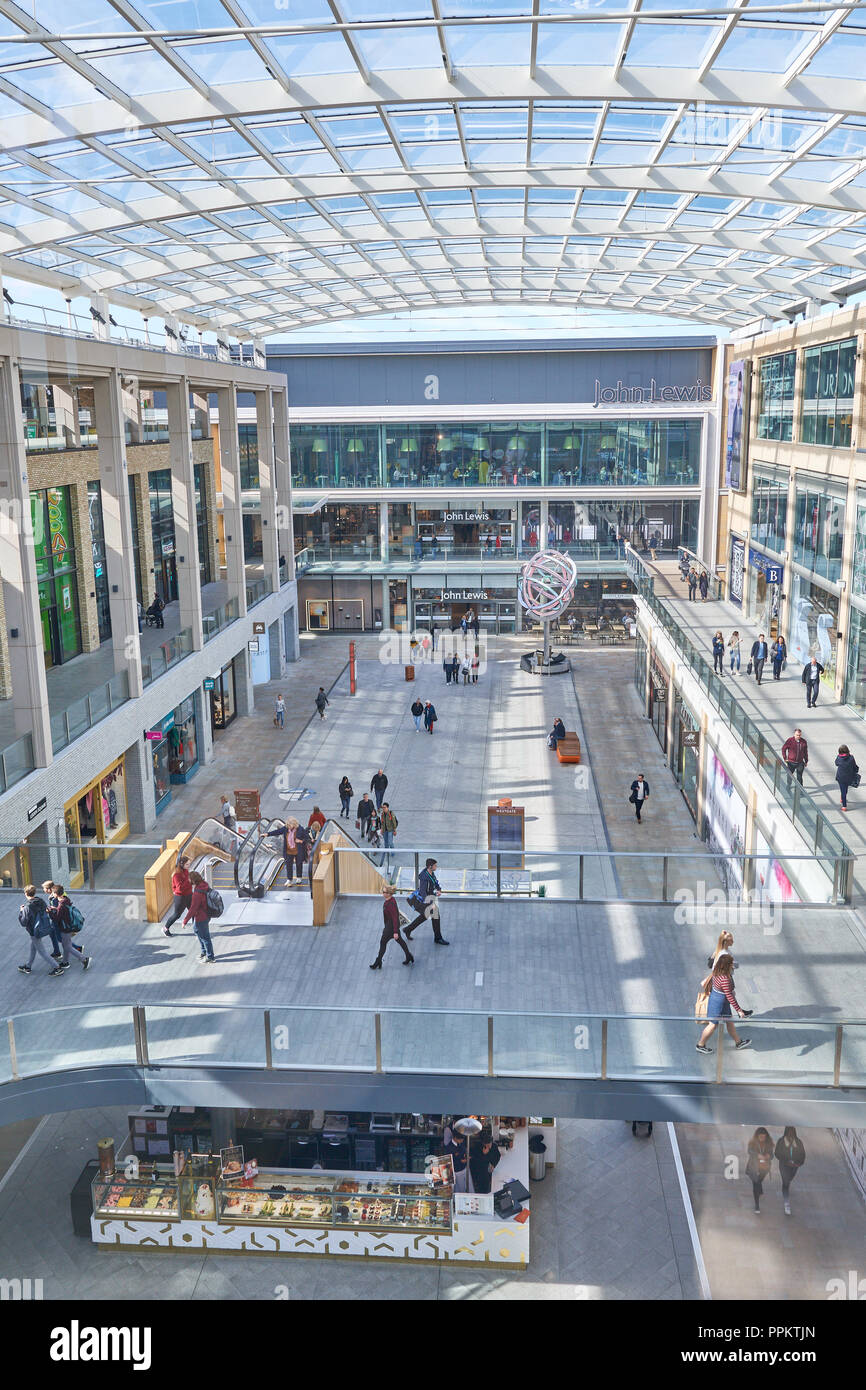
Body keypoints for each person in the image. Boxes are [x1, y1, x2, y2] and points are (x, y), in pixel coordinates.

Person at [696, 953, 752, 1053]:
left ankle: (738, 1042)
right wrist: (739, 1010)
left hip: (717, 999)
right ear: (726, 965)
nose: (732, 964)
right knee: (713, 1025)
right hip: (719, 1004)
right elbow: (729, 996)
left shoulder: (717, 972)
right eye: (731, 963)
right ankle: (700, 1045)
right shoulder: (725, 979)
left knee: (729, 1022)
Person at [18, 885, 63, 977]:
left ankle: (57, 968)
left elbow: (23, 922)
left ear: (26, 894)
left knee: (42, 951)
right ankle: (28, 966)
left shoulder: (27, 907)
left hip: (34, 931)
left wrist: (21, 912)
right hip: (44, 927)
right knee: (33, 946)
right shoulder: (40, 901)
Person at [404, 857, 449, 945]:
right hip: (425, 900)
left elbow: (435, 882)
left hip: (430, 898)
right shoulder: (424, 877)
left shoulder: (431, 873)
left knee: (427, 916)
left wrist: (439, 889)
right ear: (430, 866)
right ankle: (438, 938)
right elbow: (422, 891)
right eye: (435, 865)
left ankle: (408, 929)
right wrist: (430, 902)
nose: (436, 867)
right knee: (435, 916)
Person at [370, 884, 413, 969]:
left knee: (383, 943)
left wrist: (395, 932)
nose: (383, 893)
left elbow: (395, 918)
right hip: (391, 927)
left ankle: (378, 961)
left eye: (384, 892)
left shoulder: (391, 904)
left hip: (390, 928)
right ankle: (409, 956)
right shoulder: (390, 900)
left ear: (389, 894)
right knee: (401, 942)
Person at [50, 885, 91, 971]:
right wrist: (56, 909)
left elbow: (56, 918)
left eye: (53, 892)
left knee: (67, 947)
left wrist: (50, 912)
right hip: (68, 926)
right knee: (66, 945)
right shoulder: (66, 900)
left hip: (65, 928)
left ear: (56, 894)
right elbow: (61, 912)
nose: (52, 894)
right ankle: (65, 962)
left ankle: (84, 959)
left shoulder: (61, 905)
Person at [184, 871, 216, 963]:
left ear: (193, 880)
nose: (188, 880)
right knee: (197, 931)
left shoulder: (197, 893)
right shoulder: (204, 884)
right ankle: (204, 951)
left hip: (201, 917)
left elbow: (193, 909)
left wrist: (185, 921)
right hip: (206, 914)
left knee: (205, 937)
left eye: (189, 878)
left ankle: (210, 957)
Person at [774, 1127, 806, 1216]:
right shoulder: (781, 1141)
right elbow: (777, 1153)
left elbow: (803, 1154)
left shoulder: (798, 1142)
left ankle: (786, 1187)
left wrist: (797, 1163)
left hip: (794, 1166)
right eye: (789, 1133)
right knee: (786, 1182)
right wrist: (786, 1160)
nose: (790, 1135)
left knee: (789, 1179)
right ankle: (786, 1203)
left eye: (792, 1133)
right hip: (784, 1165)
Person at [746, 1128, 775, 1214]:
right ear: (757, 1136)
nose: (762, 1138)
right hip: (754, 1166)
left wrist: (768, 1156)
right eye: (760, 1137)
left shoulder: (769, 1144)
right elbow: (749, 1151)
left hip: (764, 1167)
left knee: (759, 1181)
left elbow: (772, 1155)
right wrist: (757, 1155)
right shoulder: (752, 1143)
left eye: (764, 1137)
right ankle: (757, 1205)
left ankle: (760, 1189)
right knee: (756, 1183)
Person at [163, 855, 193, 936]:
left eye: (189, 864)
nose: (189, 866)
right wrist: (189, 880)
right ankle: (165, 928)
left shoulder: (186, 871)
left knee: (194, 911)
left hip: (189, 895)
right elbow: (179, 889)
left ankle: (197, 929)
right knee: (177, 915)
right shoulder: (177, 875)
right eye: (187, 864)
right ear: (182, 865)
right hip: (181, 898)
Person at [835, 744, 859, 811]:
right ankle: (843, 799)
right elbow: (854, 766)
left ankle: (844, 806)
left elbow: (836, 763)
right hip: (849, 777)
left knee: (843, 790)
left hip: (840, 777)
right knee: (845, 789)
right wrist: (856, 770)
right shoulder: (851, 758)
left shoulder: (839, 757)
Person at [380, 803, 398, 868]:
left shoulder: (391, 813)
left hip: (390, 830)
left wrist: (394, 830)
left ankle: (393, 852)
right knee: (386, 843)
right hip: (385, 830)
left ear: (387, 808)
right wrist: (382, 830)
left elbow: (394, 822)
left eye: (384, 807)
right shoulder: (382, 814)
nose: (383, 809)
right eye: (383, 807)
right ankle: (387, 851)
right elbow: (382, 822)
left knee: (390, 842)